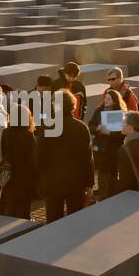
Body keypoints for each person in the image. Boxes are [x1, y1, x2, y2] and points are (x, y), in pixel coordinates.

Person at [36, 88, 93, 222]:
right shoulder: (81, 127)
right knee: (75, 219)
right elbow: (87, 158)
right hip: (76, 182)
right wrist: (89, 182)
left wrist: (41, 178)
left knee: (53, 219)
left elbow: (39, 157)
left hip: (52, 182)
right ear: (73, 106)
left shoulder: (46, 127)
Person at [87, 87, 128, 200]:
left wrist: (109, 133)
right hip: (100, 149)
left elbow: (123, 134)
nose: (106, 101)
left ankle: (112, 197)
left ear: (115, 100)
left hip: (113, 149)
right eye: (105, 98)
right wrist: (97, 128)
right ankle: (103, 196)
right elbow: (90, 126)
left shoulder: (122, 114)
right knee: (101, 174)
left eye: (109, 99)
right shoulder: (99, 111)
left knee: (113, 175)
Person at [0, 101, 38, 219]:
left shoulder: (6, 132)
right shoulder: (28, 135)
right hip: (25, 174)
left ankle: (10, 220)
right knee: (24, 201)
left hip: (10, 172)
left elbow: (3, 151)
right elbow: (32, 157)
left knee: (11, 200)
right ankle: (25, 222)